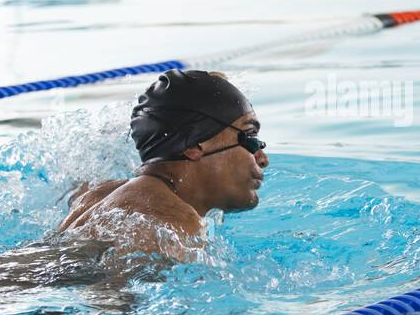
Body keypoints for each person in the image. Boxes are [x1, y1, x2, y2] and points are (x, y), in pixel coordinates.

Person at [56, 69, 268, 260]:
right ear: (193, 144)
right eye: (249, 136)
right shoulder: (171, 223)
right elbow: (108, 298)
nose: (263, 158)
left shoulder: (101, 193)